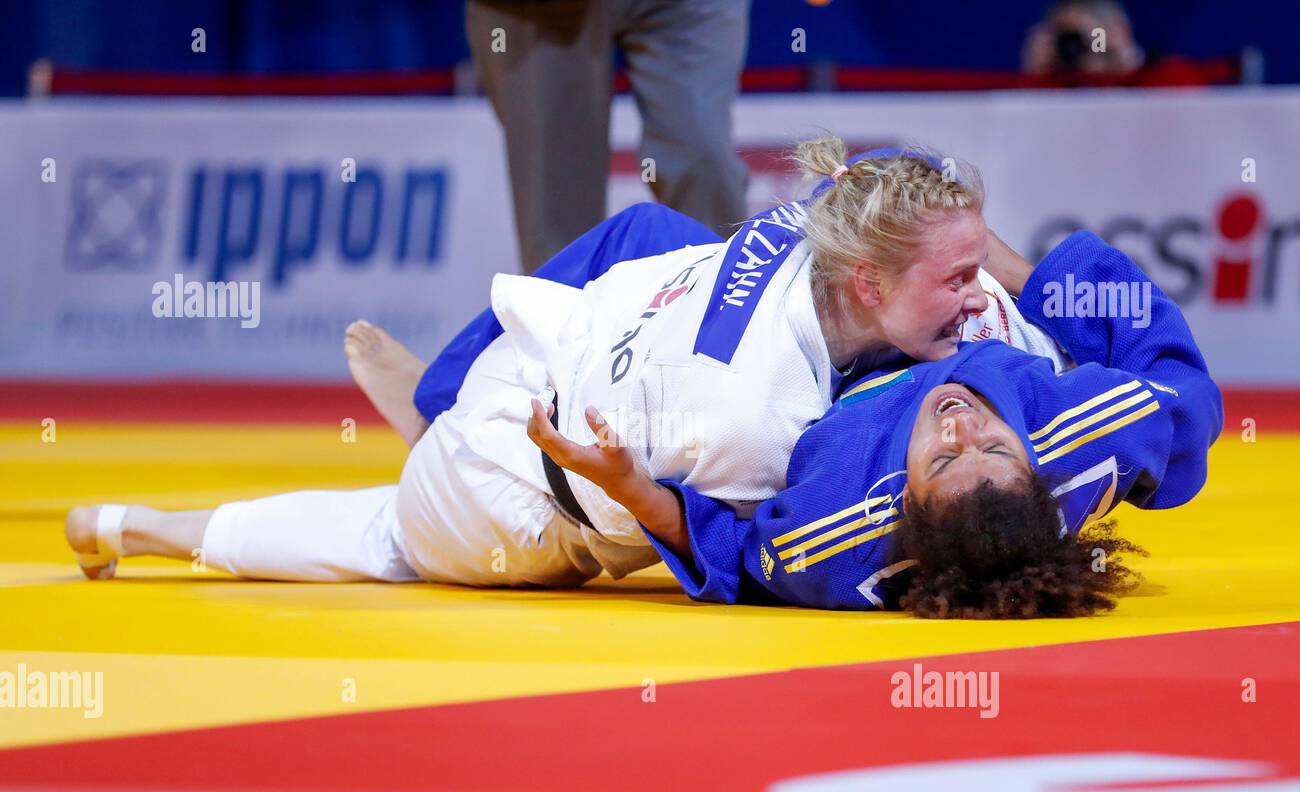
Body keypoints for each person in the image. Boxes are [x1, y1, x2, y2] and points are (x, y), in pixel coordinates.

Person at [63, 138, 1059, 591]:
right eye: (961, 275)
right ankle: (151, 526)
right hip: (506, 492)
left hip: (546, 334)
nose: (978, 294)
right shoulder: (760, 420)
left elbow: (635, 236)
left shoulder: (814, 229)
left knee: (649, 225)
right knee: (385, 539)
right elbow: (733, 553)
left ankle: (422, 402)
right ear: (873, 286)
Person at [528, 230, 1223, 616]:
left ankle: (443, 397)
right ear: (1034, 460)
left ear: (905, 499)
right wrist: (1013, 271)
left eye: (944, 461)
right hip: (999, 327)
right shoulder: (1088, 426)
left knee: (643, 232)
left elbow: (734, 556)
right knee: (660, 232)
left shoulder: (838, 535)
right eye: (994, 447)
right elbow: (1185, 387)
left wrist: (630, 486)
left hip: (840, 371)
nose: (960, 428)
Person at [466, 0, 751, 272]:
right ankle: (568, 319)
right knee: (561, 230)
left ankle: (728, 307)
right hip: (539, 12)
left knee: (704, 157)